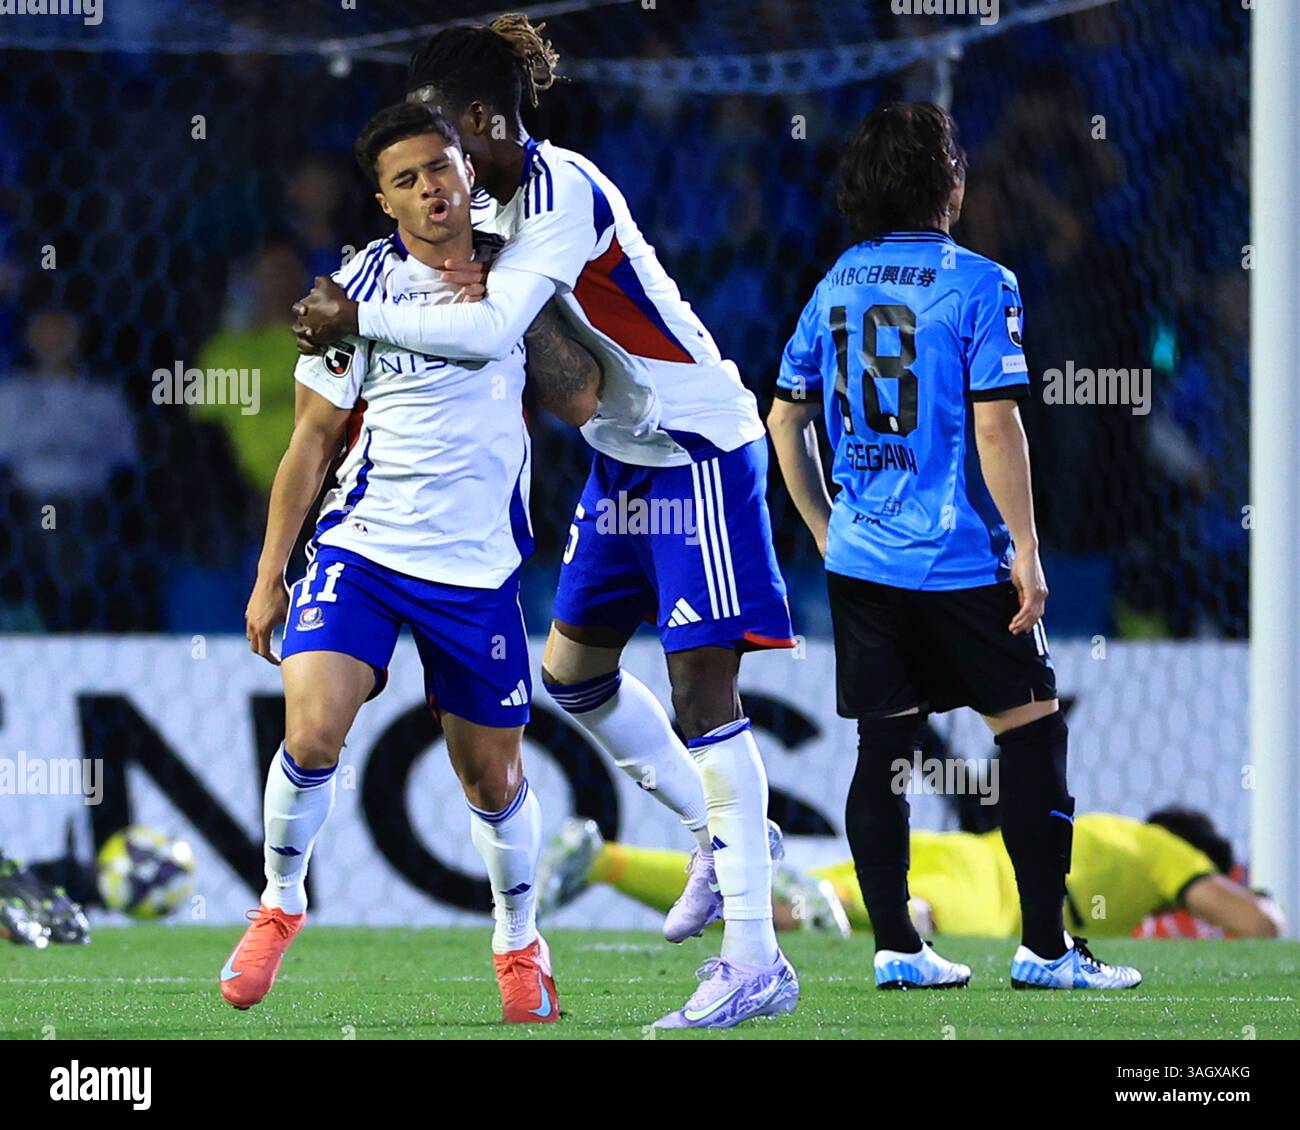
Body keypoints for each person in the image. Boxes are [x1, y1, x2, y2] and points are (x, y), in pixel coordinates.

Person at [294, 15, 799, 1029]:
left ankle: (755, 957)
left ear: (483, 120)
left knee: (703, 689)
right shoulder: (496, 208)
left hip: (694, 439)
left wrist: (357, 316)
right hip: (627, 454)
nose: (437, 165)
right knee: (573, 676)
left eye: (444, 139)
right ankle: (730, 834)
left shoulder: (562, 192)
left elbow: (487, 332)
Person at [225, 103, 599, 1023]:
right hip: (364, 545)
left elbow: (582, 398)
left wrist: (528, 312)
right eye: (407, 178)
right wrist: (272, 569)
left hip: (476, 568)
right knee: (311, 736)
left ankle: (518, 938)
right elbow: (311, 442)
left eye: (442, 166)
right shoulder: (352, 286)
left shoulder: (523, 267)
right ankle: (279, 902)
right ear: (385, 199)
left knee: (493, 782)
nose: (432, 186)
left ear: (469, 172)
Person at [767, 102, 1141, 991]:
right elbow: (998, 426)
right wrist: (1029, 550)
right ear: (952, 185)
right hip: (959, 559)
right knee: (1032, 730)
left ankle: (897, 945)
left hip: (861, 562)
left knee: (882, 750)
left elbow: (785, 416)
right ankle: (1047, 949)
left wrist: (826, 529)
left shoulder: (835, 284)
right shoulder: (981, 281)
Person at [539, 809, 1283, 941]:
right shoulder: (1165, 851)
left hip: (955, 850)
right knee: (906, 918)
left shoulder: (1115, 831)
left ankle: (606, 860)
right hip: (985, 903)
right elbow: (1259, 925)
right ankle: (828, 905)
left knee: (764, 881)